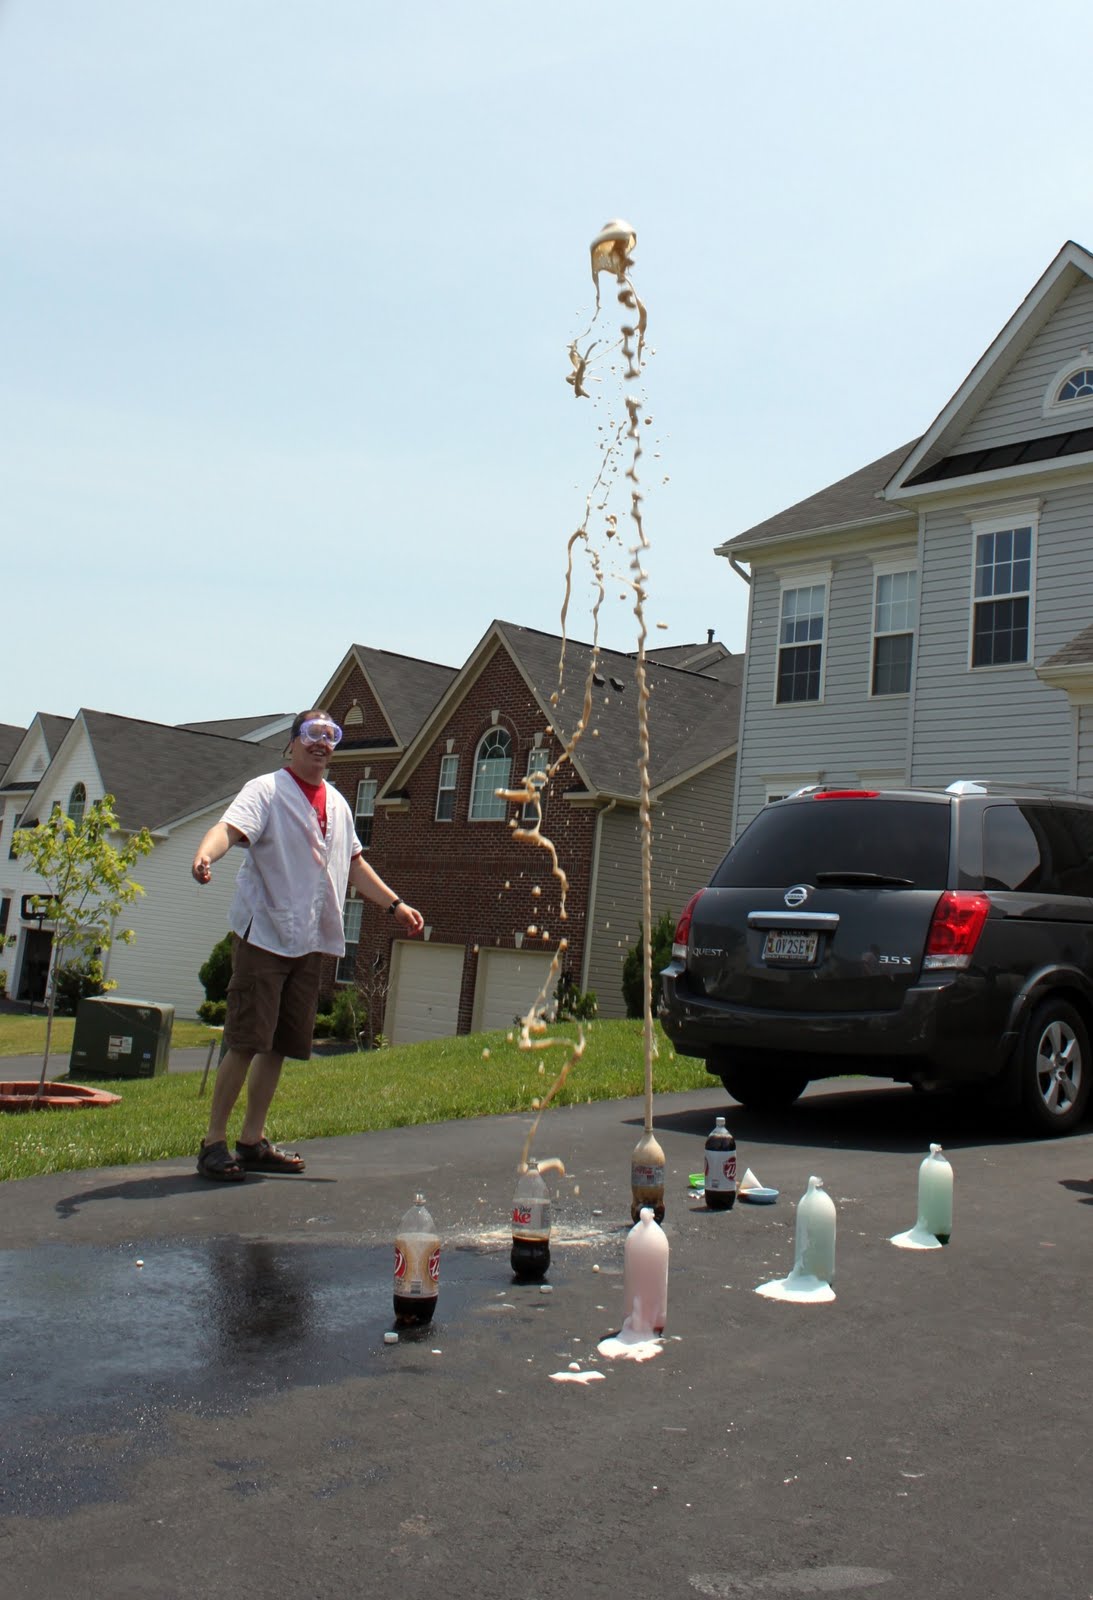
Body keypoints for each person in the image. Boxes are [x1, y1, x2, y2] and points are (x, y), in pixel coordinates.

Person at [191, 708, 424, 1180]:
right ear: (293, 743)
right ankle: (213, 1142)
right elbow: (228, 830)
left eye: (330, 735)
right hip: (265, 934)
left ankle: (252, 1141)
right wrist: (204, 855)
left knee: (279, 1044)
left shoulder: (337, 803)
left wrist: (394, 904)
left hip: (308, 939)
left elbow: (354, 864)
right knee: (245, 1041)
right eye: (313, 734)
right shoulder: (266, 790)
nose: (322, 743)